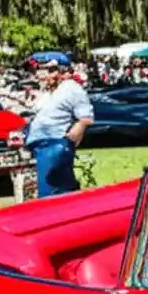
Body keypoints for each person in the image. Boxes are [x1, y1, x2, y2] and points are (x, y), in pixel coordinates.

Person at [25, 66, 94, 198]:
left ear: (63, 73)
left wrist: (79, 127)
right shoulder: (54, 92)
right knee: (59, 187)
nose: (46, 76)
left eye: (51, 71)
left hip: (54, 143)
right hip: (44, 144)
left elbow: (86, 114)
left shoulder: (71, 87)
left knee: (50, 191)